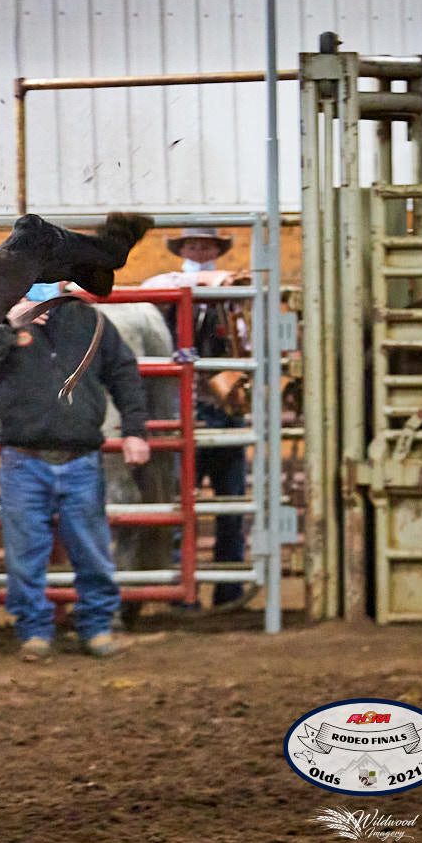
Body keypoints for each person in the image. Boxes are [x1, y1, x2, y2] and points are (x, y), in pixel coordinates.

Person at [0, 282, 151, 661]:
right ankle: (40, 629)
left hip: (72, 457)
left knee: (89, 551)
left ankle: (94, 625)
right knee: (28, 554)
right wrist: (9, 327)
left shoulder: (93, 323)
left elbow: (124, 373)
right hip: (26, 457)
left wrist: (134, 431)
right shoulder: (5, 321)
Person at [141, 227, 249, 607]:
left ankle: (228, 591)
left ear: (216, 249)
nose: (200, 250)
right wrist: (205, 278)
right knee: (181, 501)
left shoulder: (235, 298)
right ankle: (180, 592)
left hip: (223, 408)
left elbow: (249, 345)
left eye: (207, 246)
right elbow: (152, 286)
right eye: (193, 246)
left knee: (231, 506)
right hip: (182, 407)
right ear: (183, 250)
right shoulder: (174, 286)